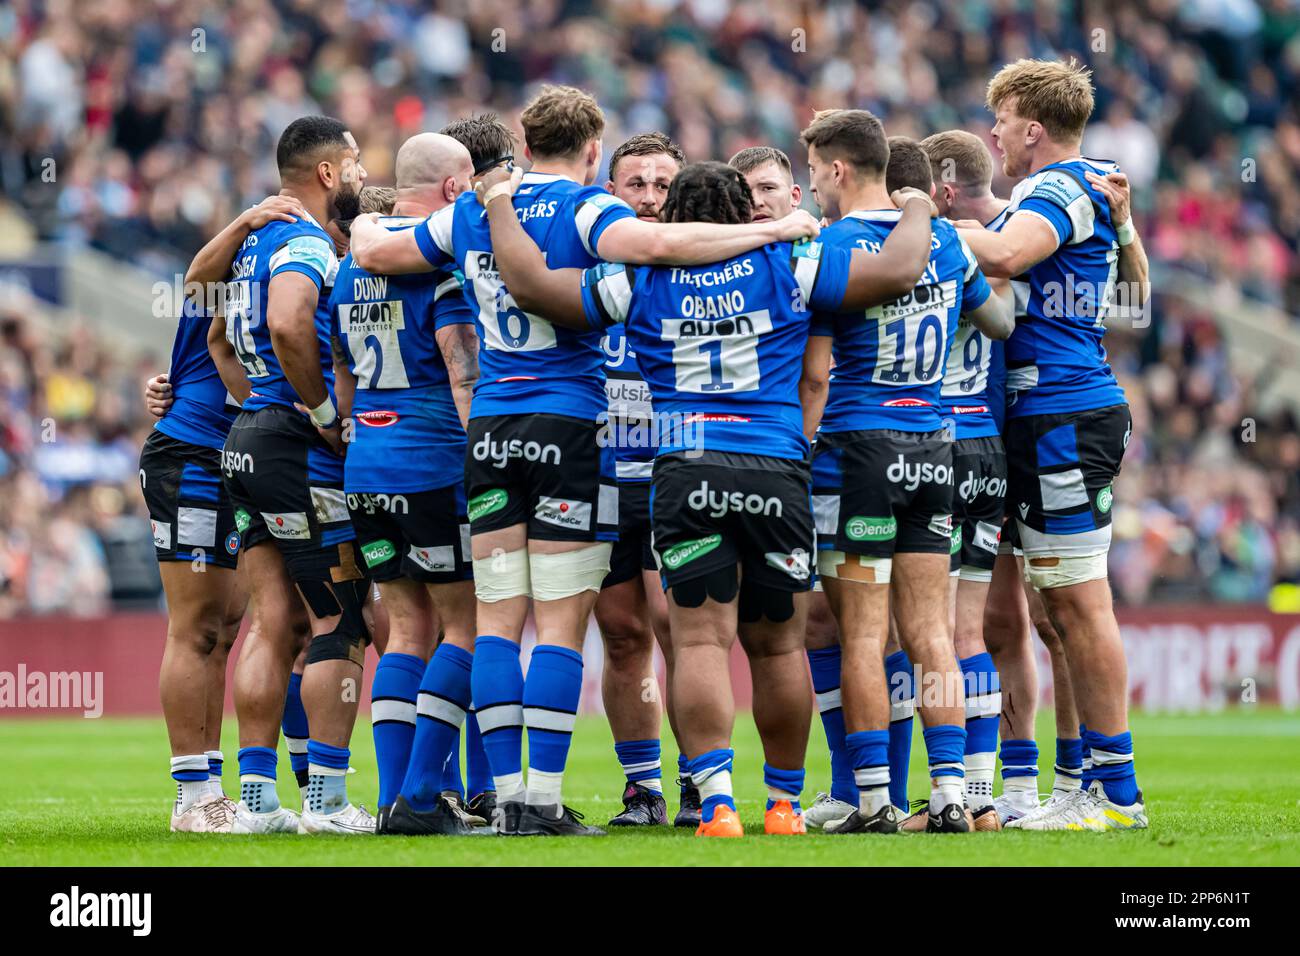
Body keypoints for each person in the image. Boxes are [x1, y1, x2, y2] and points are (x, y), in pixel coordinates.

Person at [349, 85, 821, 837]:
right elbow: (665, 247)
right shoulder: (591, 212)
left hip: (493, 429)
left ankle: (503, 801)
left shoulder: (471, 208)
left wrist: (365, 212)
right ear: (595, 154)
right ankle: (540, 799)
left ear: (524, 144)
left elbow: (375, 248)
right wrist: (780, 230)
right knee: (566, 627)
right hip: (573, 431)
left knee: (500, 621)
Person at [473, 157, 938, 837]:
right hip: (774, 466)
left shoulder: (636, 276)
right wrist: (920, 205)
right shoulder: (791, 262)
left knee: (698, 643)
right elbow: (897, 270)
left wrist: (500, 208)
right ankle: (782, 806)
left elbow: (537, 289)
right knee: (778, 648)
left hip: (685, 470)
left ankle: (717, 803)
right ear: (743, 213)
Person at [799, 111, 1014, 835]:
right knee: (933, 633)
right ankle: (952, 793)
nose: (810, 185)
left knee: (862, 635)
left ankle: (872, 800)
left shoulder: (836, 245)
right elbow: (1000, 321)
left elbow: (817, 370)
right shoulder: (947, 241)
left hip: (861, 450)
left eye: (812, 170)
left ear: (837, 169)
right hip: (934, 446)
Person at [957, 59, 1151, 831]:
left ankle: (1116, 793)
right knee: (1051, 613)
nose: (994, 134)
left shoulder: (1057, 187)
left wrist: (915, 225)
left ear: (1031, 128)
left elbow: (1002, 260)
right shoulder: (1092, 189)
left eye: (1000, 119)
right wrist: (1129, 231)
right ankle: (1077, 783)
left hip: (1063, 413)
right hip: (1044, 414)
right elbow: (1134, 306)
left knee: (1078, 604)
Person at [213, 115, 375, 835]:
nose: (365, 175)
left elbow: (215, 328)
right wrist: (316, 411)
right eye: (359, 163)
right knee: (338, 617)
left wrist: (262, 409)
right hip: (294, 448)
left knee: (269, 623)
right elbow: (287, 323)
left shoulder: (251, 243)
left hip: (245, 440)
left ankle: (255, 801)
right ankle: (327, 802)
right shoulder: (307, 241)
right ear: (330, 173)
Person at [328, 132, 482, 835]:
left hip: (367, 466)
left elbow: (342, 376)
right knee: (467, 626)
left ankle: (394, 800)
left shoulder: (345, 272)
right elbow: (462, 373)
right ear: (454, 190)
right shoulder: (439, 268)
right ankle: (422, 796)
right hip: (433, 462)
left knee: (406, 628)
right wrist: (486, 456)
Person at [139, 196, 304, 833]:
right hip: (194, 453)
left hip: (238, 454)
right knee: (198, 628)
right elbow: (196, 284)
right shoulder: (241, 258)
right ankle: (192, 797)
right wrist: (244, 222)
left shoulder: (296, 263)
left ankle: (211, 791)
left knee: (229, 631)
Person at [595, 131, 694, 828]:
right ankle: (644, 790)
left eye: (663, 185)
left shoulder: (702, 267)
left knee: (678, 628)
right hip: (600, 473)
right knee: (623, 632)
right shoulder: (584, 260)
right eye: (638, 183)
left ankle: (701, 779)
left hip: (676, 468)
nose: (651, 198)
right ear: (612, 192)